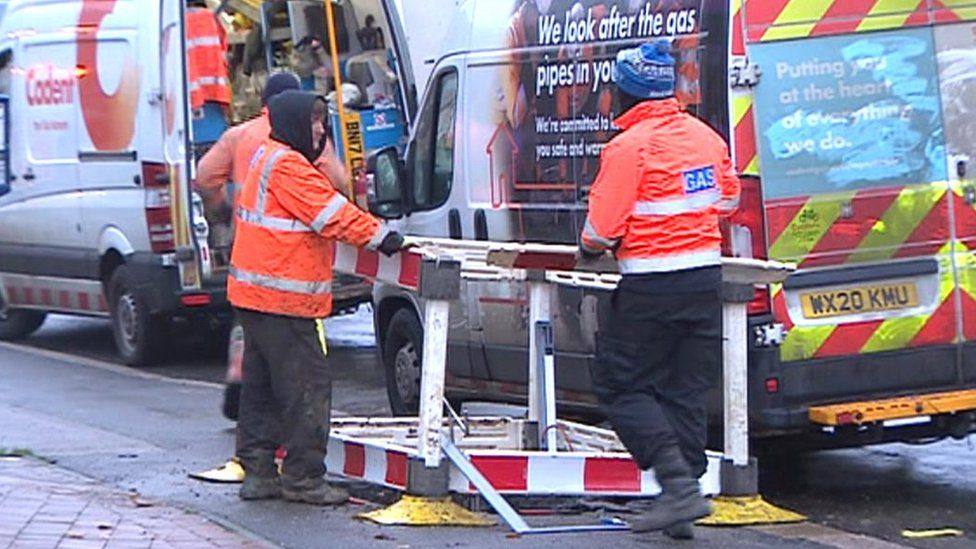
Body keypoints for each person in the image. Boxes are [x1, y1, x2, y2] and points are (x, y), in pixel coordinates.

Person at [579, 39, 740, 538]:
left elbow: (599, 231)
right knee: (684, 390)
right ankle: (682, 499)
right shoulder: (706, 138)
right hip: (704, 281)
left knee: (621, 385)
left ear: (626, 94)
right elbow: (727, 201)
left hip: (651, 286)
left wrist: (590, 248)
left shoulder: (628, 147)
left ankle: (676, 485)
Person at [229, 89, 406, 505]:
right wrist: (383, 237)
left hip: (255, 297)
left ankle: (258, 473)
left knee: (260, 389)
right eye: (313, 122)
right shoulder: (291, 167)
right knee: (305, 388)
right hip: (282, 301)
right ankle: (303, 478)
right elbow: (332, 214)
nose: (320, 129)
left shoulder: (267, 156)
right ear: (292, 123)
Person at [196, 72, 350, 226]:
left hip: (247, 234)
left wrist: (222, 212)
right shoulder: (311, 133)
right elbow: (339, 183)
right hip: (296, 237)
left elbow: (205, 176)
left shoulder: (237, 135)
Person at [185, 0, 231, 149]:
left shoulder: (176, 21)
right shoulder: (212, 18)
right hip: (215, 93)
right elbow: (224, 50)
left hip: (188, 97)